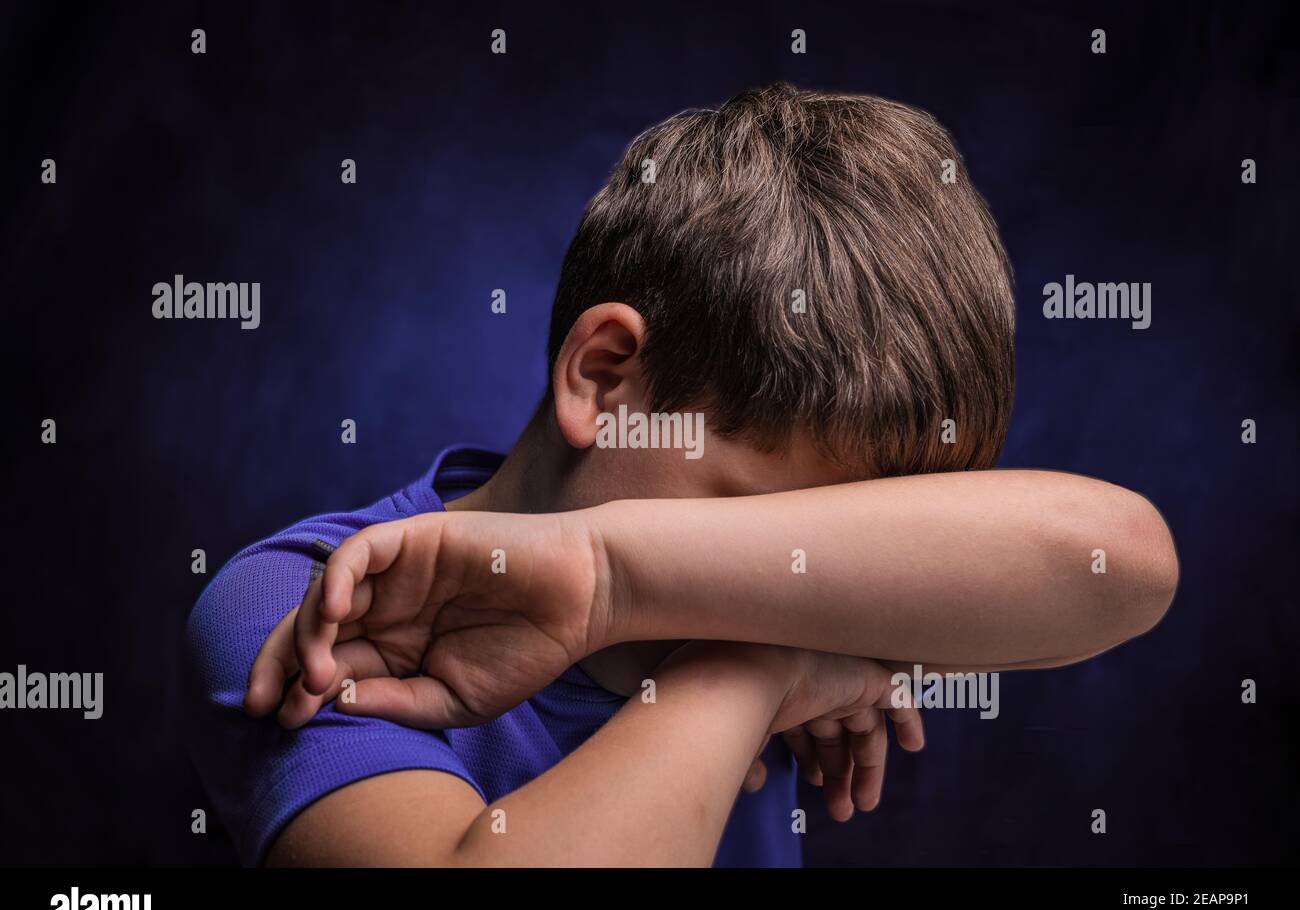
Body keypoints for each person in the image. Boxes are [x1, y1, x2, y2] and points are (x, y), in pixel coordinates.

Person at [185, 82, 1178, 867]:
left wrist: (614, 570)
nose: (792, 590)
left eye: (830, 559)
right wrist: (758, 667)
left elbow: (1121, 559)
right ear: (605, 376)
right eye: (754, 529)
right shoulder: (313, 606)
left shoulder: (793, 623)